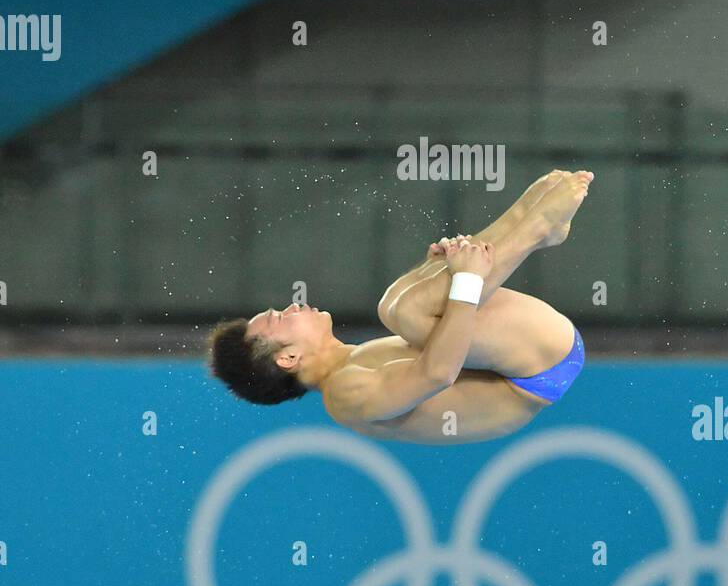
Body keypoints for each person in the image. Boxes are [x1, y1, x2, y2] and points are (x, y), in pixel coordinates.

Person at [208, 170, 592, 443]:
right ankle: (536, 227)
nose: (291, 308)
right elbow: (439, 372)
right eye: (279, 319)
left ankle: (532, 224)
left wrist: (434, 270)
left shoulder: (352, 361)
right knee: (404, 309)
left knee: (399, 303)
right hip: (538, 370)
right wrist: (465, 280)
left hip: (526, 361)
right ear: (287, 358)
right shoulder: (344, 395)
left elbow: (448, 343)